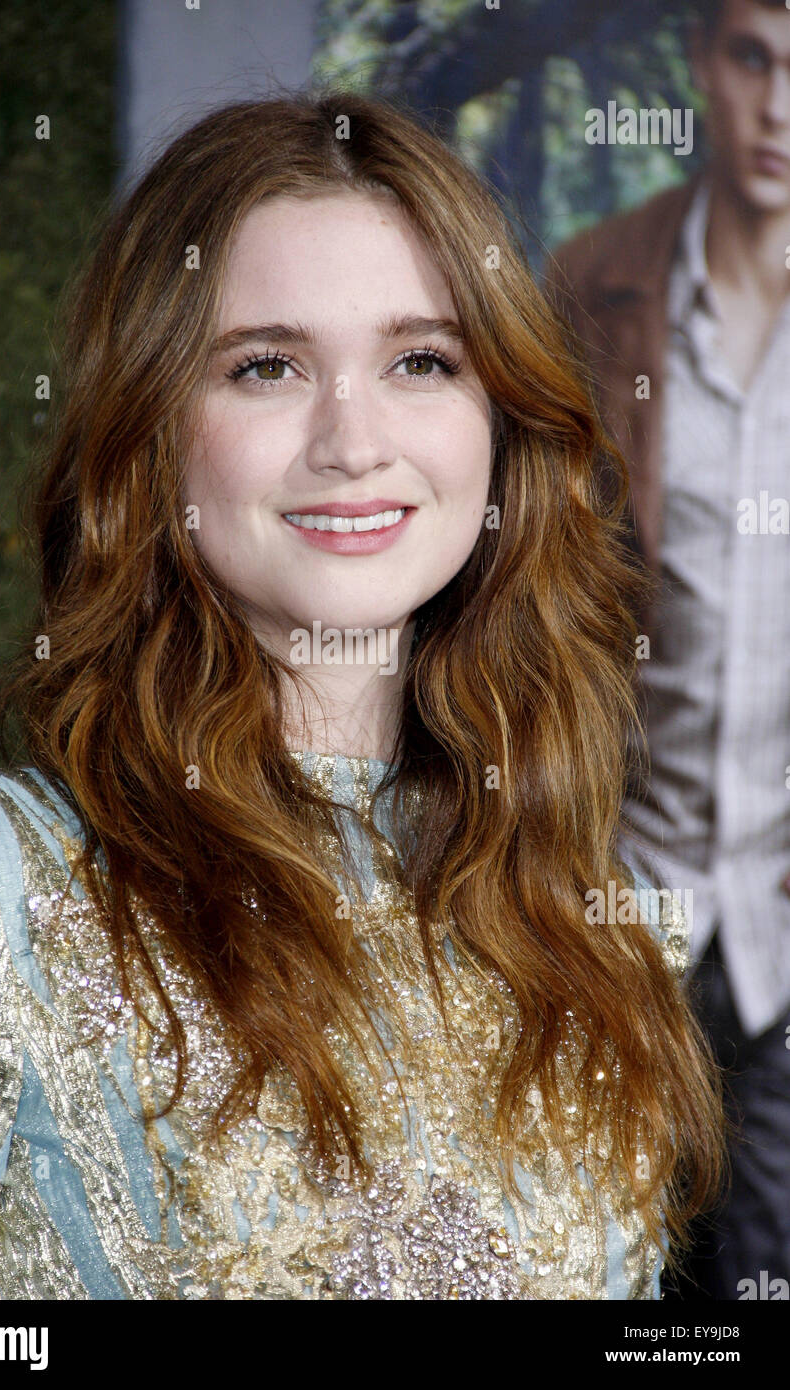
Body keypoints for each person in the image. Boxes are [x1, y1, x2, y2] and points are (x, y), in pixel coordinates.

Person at [0, 88, 724, 1301]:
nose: (352, 438)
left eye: (420, 360)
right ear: (151, 430)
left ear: (499, 421)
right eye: (267, 365)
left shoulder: (582, 915)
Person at [546, 0, 790, 1299]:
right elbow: (522, 599)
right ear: (702, 62)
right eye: (755, 59)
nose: (780, 108)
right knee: (609, 1275)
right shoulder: (594, 288)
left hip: (781, 921)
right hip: (617, 904)